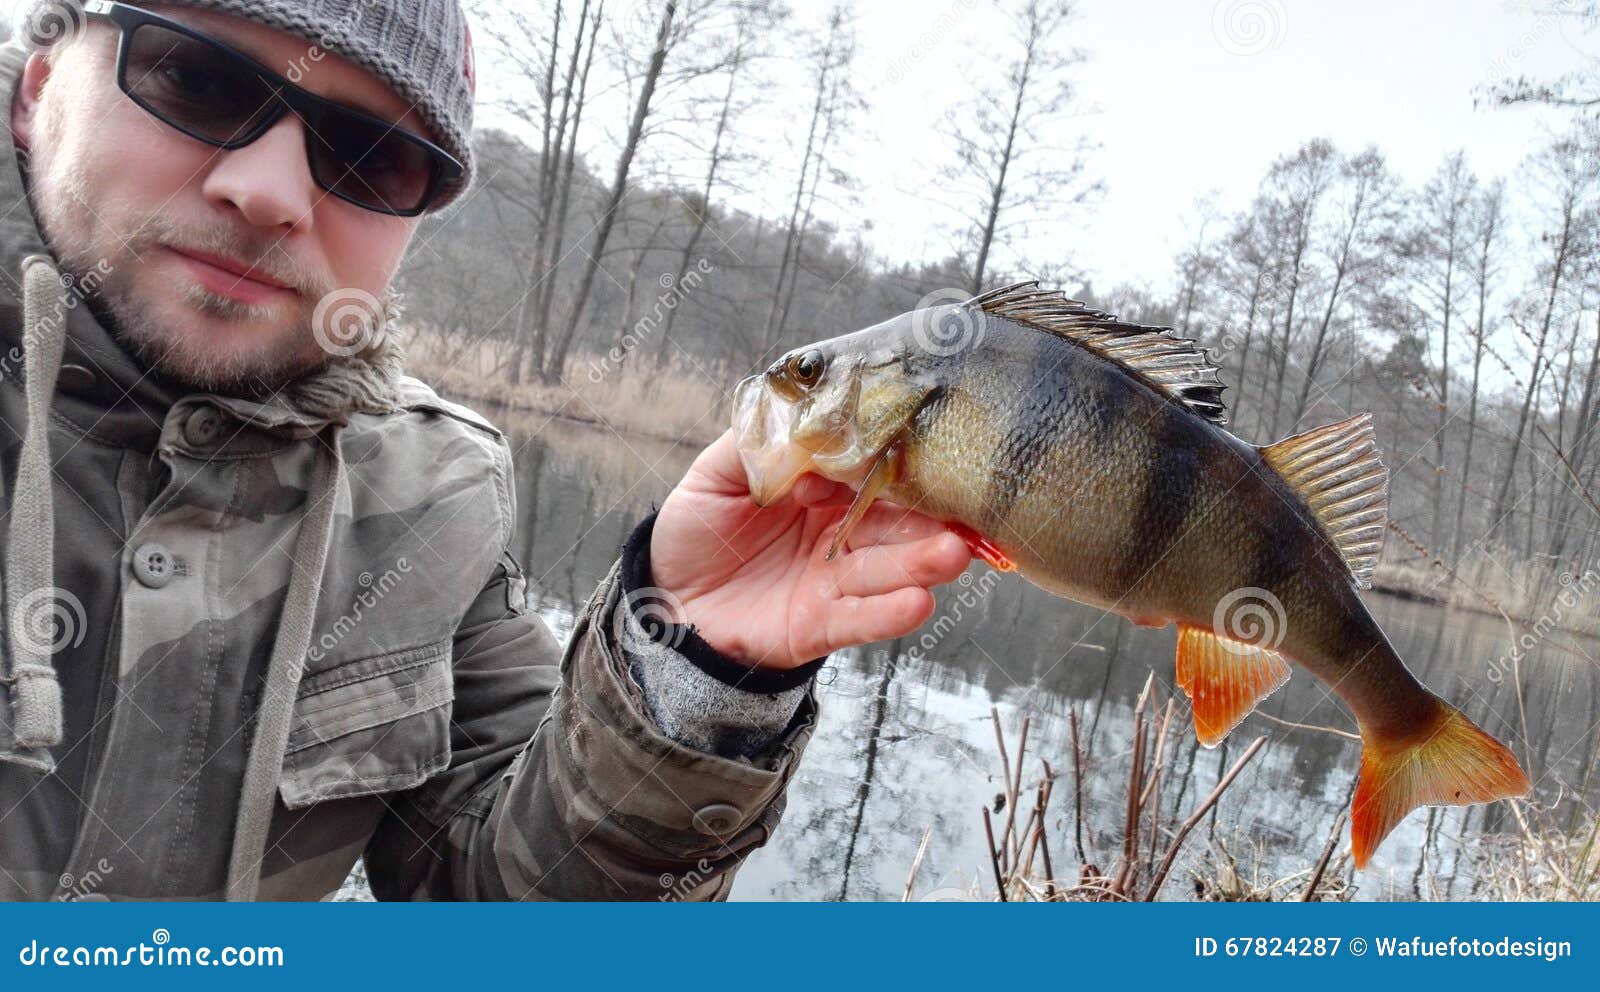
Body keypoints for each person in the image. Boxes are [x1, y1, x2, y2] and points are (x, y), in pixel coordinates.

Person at [0, 0, 972, 900]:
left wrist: (689, 664)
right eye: (198, 80)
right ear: (40, 86)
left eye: (372, 155)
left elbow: (499, 896)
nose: (266, 192)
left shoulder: (434, 498)